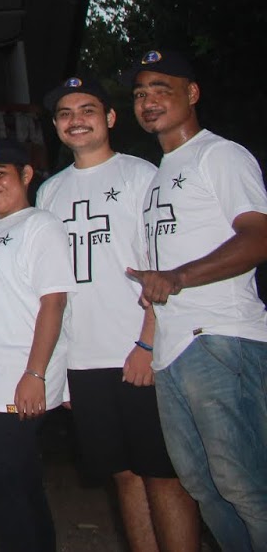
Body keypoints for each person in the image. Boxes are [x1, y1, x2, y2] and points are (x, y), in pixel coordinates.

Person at [35, 75, 199, 552]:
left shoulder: (141, 176)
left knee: (164, 475)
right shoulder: (50, 193)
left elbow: (161, 266)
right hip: (84, 358)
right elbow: (52, 289)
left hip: (137, 352)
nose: (76, 120)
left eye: (87, 109)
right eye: (65, 113)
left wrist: (148, 343)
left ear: (109, 118)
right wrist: (60, 372)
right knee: (124, 475)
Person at [123, 48, 267, 550]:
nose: (148, 100)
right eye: (140, 93)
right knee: (205, 490)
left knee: (245, 485)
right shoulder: (157, 176)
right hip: (173, 352)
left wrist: (178, 276)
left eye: (161, 88)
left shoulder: (219, 155)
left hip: (222, 339)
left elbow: (257, 237)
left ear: (192, 93)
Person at [0, 137, 75, 552]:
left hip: (19, 379)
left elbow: (54, 301)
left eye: (0, 175)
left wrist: (35, 373)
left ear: (26, 175)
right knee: (21, 483)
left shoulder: (39, 225)